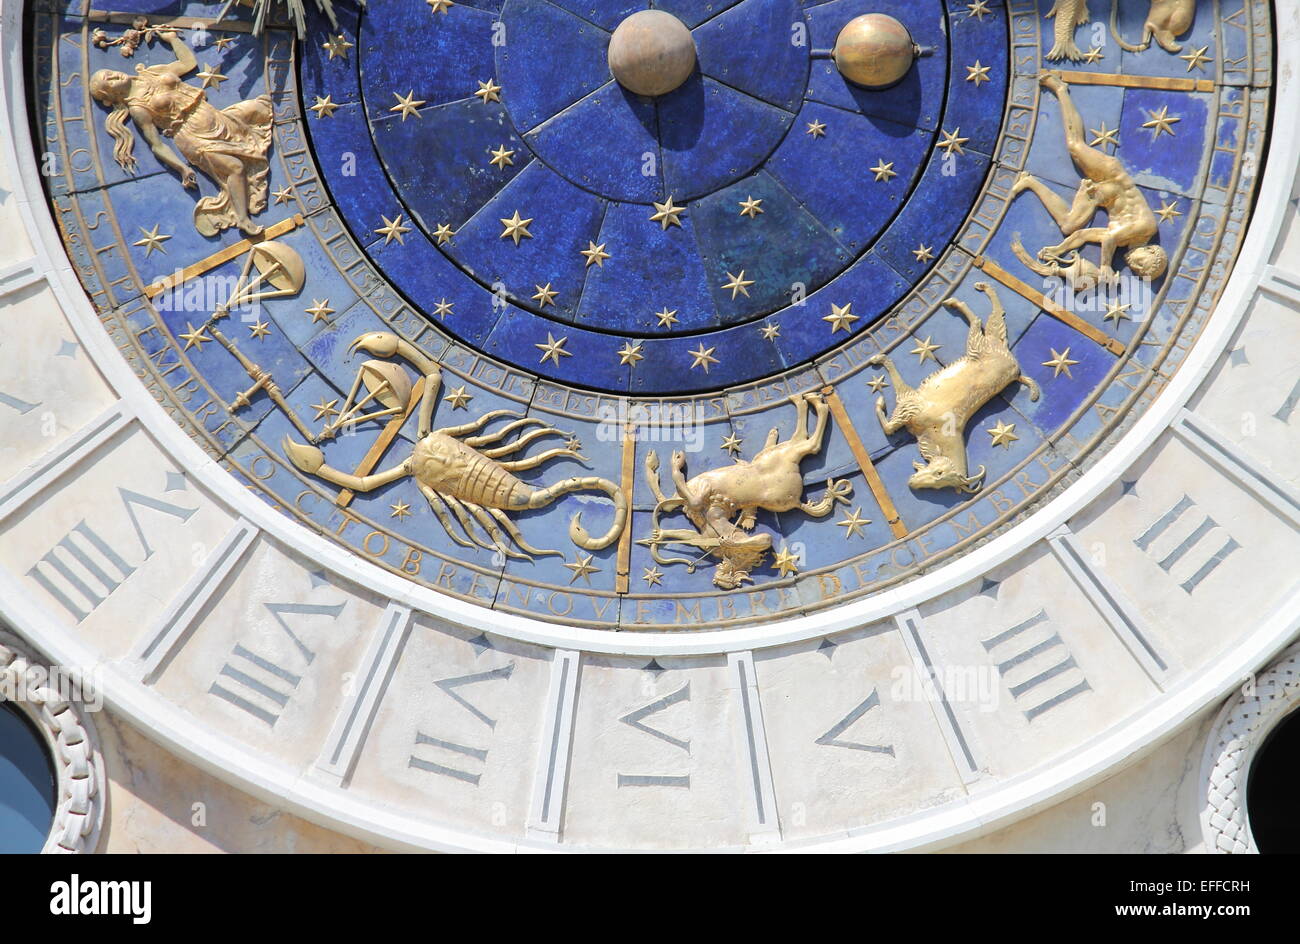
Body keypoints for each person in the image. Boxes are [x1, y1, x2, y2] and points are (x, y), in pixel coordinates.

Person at [90, 28, 273, 236]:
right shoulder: (138, 108)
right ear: (112, 95)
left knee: (260, 109)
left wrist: (173, 40)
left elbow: (188, 64)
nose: (114, 75)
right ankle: (242, 219)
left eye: (110, 73)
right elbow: (157, 145)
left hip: (212, 117)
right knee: (235, 168)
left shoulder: (150, 72)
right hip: (192, 135)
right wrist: (181, 169)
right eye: (110, 82)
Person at [1011, 71, 1167, 284]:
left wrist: (1058, 249)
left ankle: (1029, 181)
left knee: (1068, 226)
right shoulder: (1146, 228)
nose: (1134, 266)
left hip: (1102, 194)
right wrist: (1105, 266)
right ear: (1150, 251)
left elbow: (1083, 236)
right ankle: (1060, 89)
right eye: (1142, 264)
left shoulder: (1122, 240)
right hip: (1112, 177)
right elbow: (1110, 238)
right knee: (1075, 146)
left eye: (1138, 272)